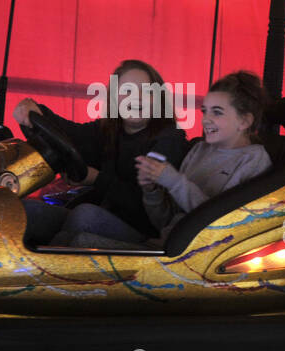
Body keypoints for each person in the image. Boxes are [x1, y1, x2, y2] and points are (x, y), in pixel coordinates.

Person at [55, 71, 273, 249]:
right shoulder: (200, 150)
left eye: (217, 112)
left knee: (77, 239)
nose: (206, 119)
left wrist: (174, 181)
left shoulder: (253, 162)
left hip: (193, 258)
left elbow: (219, 225)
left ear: (244, 121)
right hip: (165, 244)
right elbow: (166, 221)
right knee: (61, 237)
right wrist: (152, 192)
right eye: (204, 111)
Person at [13, 59, 188, 245]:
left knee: (85, 215)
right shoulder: (109, 131)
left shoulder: (170, 139)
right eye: (127, 91)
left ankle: (49, 268)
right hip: (104, 216)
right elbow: (71, 134)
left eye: (146, 91)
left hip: (146, 234)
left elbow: (145, 206)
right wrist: (34, 110)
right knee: (26, 211)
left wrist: (97, 178)